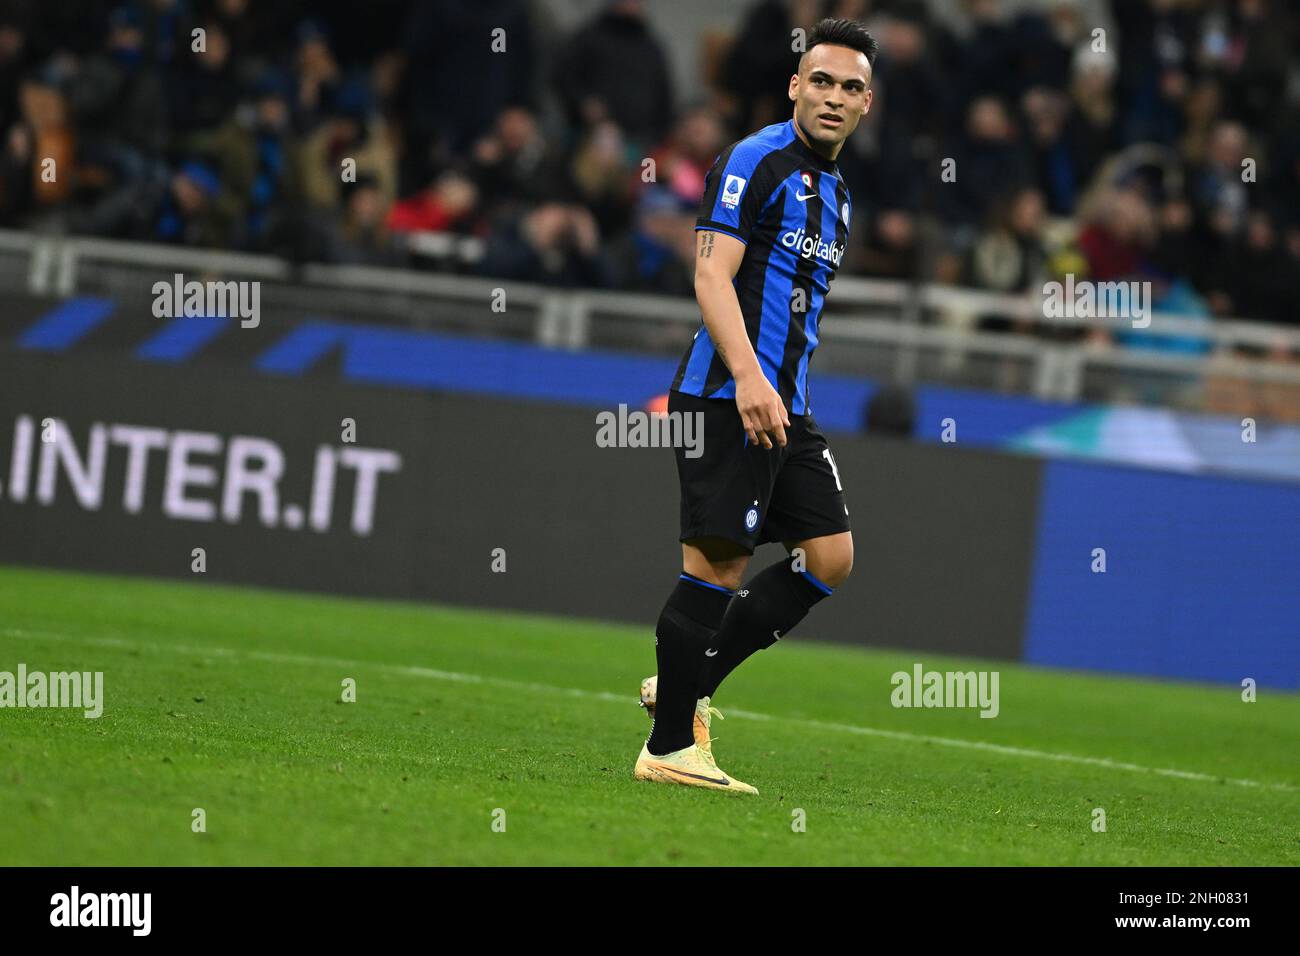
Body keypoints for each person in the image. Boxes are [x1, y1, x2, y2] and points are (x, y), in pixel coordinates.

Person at [634, 17, 877, 795]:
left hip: (784, 406)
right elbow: (711, 277)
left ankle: (689, 679)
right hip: (726, 394)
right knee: (718, 564)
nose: (834, 97)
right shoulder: (755, 160)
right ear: (795, 86)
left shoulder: (836, 194)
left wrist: (775, 389)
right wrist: (746, 376)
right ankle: (671, 745)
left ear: (866, 103)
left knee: (829, 557)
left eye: (851, 87)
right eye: (822, 81)